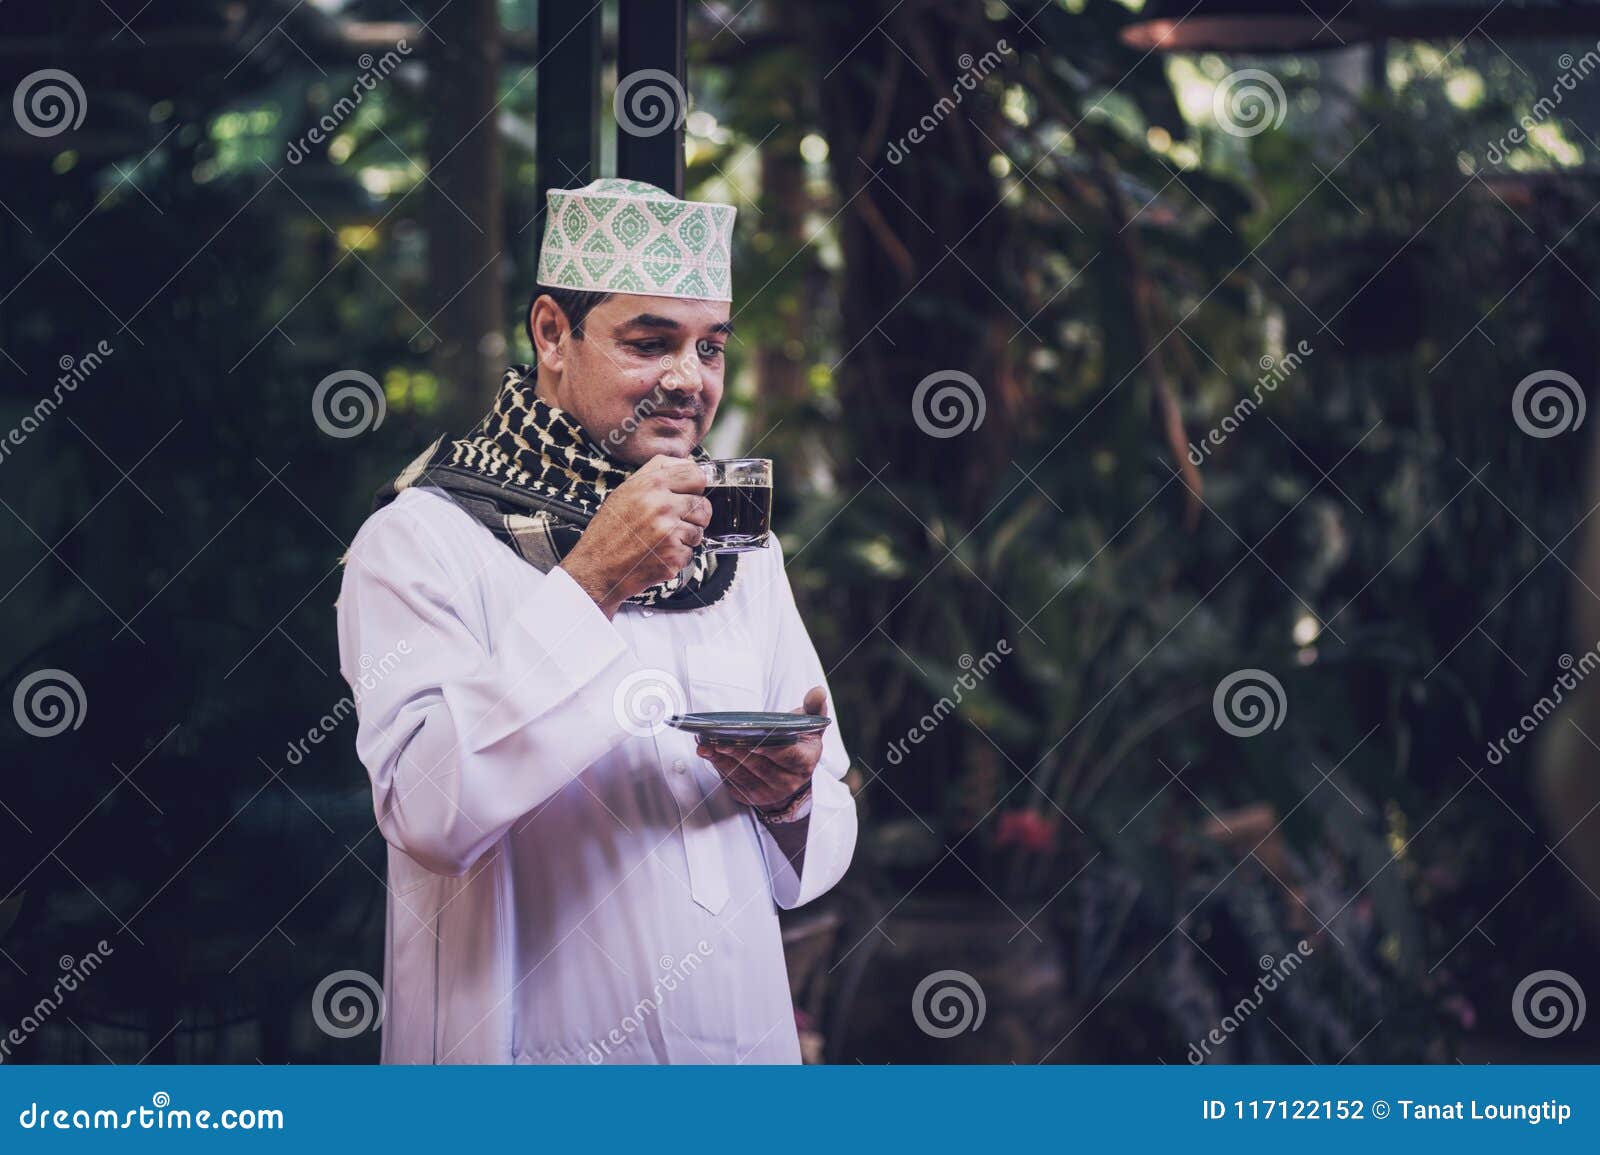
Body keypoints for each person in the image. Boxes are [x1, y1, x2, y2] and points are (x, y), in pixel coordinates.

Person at [333, 178, 857, 1063]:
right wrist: (592, 583)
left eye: (711, 347)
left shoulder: (738, 547)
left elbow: (824, 826)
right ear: (551, 334)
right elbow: (428, 814)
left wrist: (791, 797)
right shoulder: (422, 538)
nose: (689, 379)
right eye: (651, 342)